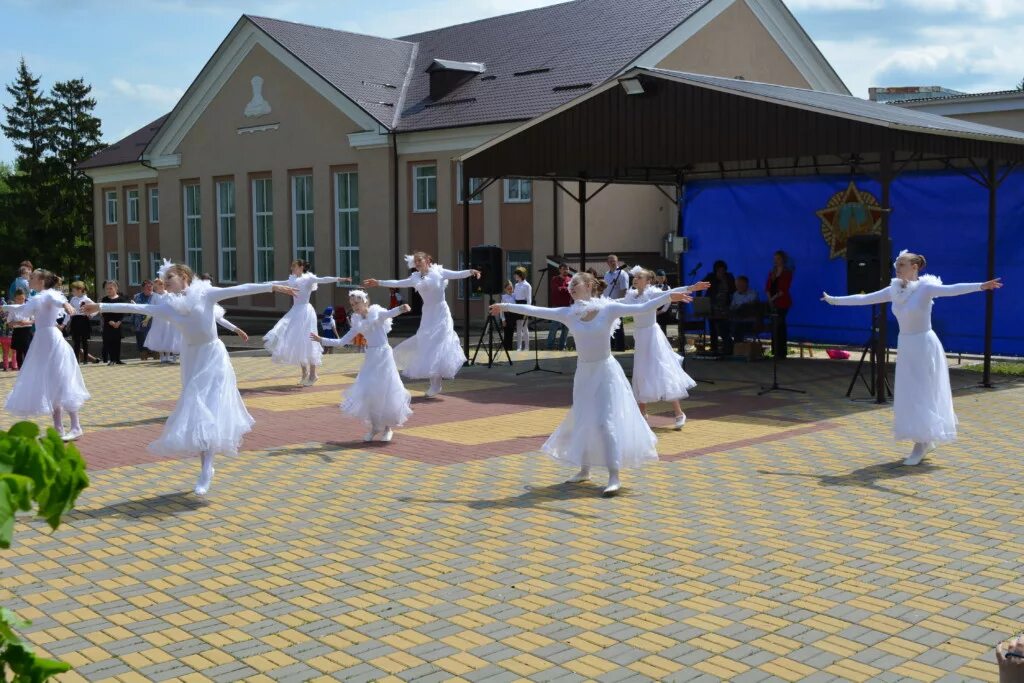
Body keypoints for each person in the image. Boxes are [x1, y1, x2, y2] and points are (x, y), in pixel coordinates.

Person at [84, 263, 297, 495]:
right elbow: (141, 309)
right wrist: (101, 306)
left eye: (170, 277)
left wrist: (273, 286)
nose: (165, 282)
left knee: (207, 406)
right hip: (191, 357)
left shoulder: (205, 294)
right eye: (163, 279)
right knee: (196, 409)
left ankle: (206, 469)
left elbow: (242, 288)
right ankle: (207, 465)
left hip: (212, 355)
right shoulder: (168, 305)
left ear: (184, 276)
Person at [491, 272, 691, 496]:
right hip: (584, 374)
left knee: (605, 422)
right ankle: (584, 469)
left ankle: (614, 475)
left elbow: (642, 308)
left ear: (588, 285)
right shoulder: (569, 313)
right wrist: (505, 307)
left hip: (605, 371)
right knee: (583, 419)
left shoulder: (608, 309)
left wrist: (667, 297)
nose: (570, 287)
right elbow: (536, 310)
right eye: (570, 286)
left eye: (574, 284)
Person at [822, 250, 1002, 466]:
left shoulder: (926, 288)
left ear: (915, 267)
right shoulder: (894, 290)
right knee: (910, 393)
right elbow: (864, 298)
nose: (898, 268)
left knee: (923, 392)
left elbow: (952, 290)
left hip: (925, 345)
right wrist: (834, 301)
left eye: (903, 265)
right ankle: (924, 438)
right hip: (906, 345)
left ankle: (922, 443)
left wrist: (980, 286)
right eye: (897, 264)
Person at [363, 252, 480, 398]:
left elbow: (457, 274)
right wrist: (379, 282)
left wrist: (471, 271)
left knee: (441, 342)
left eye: (420, 260)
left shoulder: (440, 272)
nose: (417, 263)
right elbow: (398, 283)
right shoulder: (415, 278)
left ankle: (437, 380)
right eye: (416, 261)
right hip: (428, 313)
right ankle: (435, 383)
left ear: (427, 260)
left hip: (441, 311)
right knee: (427, 344)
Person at [311, 290, 413, 442]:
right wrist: (321, 340)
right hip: (371, 357)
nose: (355, 307)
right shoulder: (357, 322)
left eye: (357, 303)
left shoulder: (377, 314)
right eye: (352, 305)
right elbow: (342, 341)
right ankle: (375, 426)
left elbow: (389, 313)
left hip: (384, 356)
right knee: (368, 391)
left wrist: (401, 308)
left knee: (386, 389)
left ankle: (387, 428)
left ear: (365, 301)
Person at [2, 270, 90, 441]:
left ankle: (75, 426)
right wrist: (6, 308)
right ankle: (58, 428)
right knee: (51, 384)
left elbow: (57, 299)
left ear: (41, 281)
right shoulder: (37, 297)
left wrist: (66, 305)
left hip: (52, 341)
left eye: (33, 277)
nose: (30, 280)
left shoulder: (49, 295)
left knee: (63, 382)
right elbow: (23, 311)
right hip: (42, 342)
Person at [625, 267, 708, 428]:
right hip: (640, 337)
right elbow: (616, 304)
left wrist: (690, 288)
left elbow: (671, 292)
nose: (635, 279)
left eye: (639, 277)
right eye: (634, 277)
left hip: (653, 337)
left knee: (662, 371)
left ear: (648, 281)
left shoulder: (653, 293)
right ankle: (642, 413)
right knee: (641, 372)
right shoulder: (631, 296)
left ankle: (679, 413)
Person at [264, 260, 351, 386]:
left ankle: (313, 374)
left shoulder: (309, 279)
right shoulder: (292, 279)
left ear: (301, 267)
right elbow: (279, 283)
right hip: (295, 311)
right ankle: (304, 372)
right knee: (297, 340)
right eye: (292, 266)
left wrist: (340, 279)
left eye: (294, 266)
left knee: (310, 340)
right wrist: (263, 285)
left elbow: (324, 279)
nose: (291, 268)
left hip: (305, 311)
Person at [702, 260, 736, 355]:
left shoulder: (729, 277)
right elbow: (700, 285)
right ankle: (714, 349)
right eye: (719, 270)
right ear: (715, 270)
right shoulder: (710, 277)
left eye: (723, 270)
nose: (721, 272)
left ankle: (727, 348)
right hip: (713, 306)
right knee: (712, 326)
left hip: (725, 306)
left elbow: (734, 290)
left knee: (724, 327)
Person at [766, 250, 794, 360]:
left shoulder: (787, 273)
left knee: (779, 325)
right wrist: (769, 298)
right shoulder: (772, 272)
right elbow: (768, 287)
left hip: (782, 302)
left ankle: (781, 352)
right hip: (772, 302)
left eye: (778, 258)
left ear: (783, 260)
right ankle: (776, 352)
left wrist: (773, 298)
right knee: (774, 326)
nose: (776, 261)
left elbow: (783, 289)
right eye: (775, 258)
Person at [603, 254, 630, 351]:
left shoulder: (622, 274)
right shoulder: (606, 274)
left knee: (618, 325)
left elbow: (624, 290)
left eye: (614, 261)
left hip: (617, 303)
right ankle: (612, 346)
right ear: (607, 263)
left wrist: (621, 303)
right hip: (607, 303)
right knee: (609, 325)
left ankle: (620, 347)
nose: (612, 263)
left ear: (617, 261)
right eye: (610, 261)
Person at [68, 281, 99, 364]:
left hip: (84, 320)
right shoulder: (73, 299)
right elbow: (69, 308)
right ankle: (76, 360)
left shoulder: (86, 299)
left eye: (73, 290)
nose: (72, 292)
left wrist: (91, 315)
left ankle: (85, 359)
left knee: (85, 341)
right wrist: (69, 314)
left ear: (80, 290)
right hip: (75, 320)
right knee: (76, 341)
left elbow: (97, 308)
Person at [546, 263, 572, 351]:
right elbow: (557, 289)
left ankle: (562, 347)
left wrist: (564, 288)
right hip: (557, 307)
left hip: (568, 307)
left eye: (567, 269)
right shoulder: (555, 279)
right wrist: (567, 289)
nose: (566, 270)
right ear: (560, 270)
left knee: (566, 329)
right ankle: (549, 347)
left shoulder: (570, 279)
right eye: (564, 269)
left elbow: (571, 291)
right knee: (554, 327)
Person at [729, 275, 760, 346]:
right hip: (737, 320)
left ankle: (738, 349)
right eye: (737, 285)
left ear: (746, 284)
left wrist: (740, 307)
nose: (738, 286)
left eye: (740, 284)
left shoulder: (753, 294)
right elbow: (732, 308)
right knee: (722, 325)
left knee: (737, 327)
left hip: (750, 322)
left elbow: (749, 308)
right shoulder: (735, 294)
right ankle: (730, 348)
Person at [100, 280, 125, 365]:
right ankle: (112, 359)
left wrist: (119, 321)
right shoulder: (104, 299)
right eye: (107, 289)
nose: (109, 290)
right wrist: (109, 321)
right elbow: (103, 312)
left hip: (118, 324)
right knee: (109, 342)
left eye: (110, 288)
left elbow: (123, 311)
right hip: (108, 324)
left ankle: (117, 359)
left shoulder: (121, 299)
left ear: (116, 288)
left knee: (117, 342)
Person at [8, 289, 34, 369]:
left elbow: (33, 320)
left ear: (25, 298)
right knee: (19, 352)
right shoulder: (12, 309)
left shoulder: (28, 307)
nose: (20, 300)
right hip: (18, 331)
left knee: (28, 351)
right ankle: (20, 369)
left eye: (22, 299)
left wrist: (26, 322)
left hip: (27, 331)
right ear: (15, 298)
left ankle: (28, 369)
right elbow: (9, 323)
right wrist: (17, 323)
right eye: (18, 299)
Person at [512, 267, 533, 352]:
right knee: (518, 327)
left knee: (524, 327)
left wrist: (527, 311)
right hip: (517, 305)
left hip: (524, 306)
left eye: (516, 274)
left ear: (520, 275)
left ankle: (527, 347)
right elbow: (515, 296)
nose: (514, 276)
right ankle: (519, 347)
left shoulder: (527, 285)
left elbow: (529, 299)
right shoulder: (516, 285)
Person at [132, 280, 155, 360]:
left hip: (153, 325)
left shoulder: (156, 297)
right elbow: (134, 310)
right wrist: (133, 323)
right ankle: (143, 360)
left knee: (154, 347)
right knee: (142, 347)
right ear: (143, 288)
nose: (149, 288)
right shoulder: (137, 296)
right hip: (140, 326)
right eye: (147, 286)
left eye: (151, 286)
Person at [500, 281, 516, 351]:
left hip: (512, 316)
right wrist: (503, 319)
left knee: (511, 334)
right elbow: (501, 310)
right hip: (506, 316)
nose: (510, 290)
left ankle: (510, 348)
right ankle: (506, 349)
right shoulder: (504, 297)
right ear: (505, 289)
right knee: (506, 334)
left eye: (511, 288)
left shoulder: (514, 296)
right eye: (508, 289)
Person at [0, 296, 12, 371]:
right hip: (11, 336)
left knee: (5, 352)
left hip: (2, 336)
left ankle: (5, 366)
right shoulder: (10, 314)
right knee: (14, 352)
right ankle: (15, 365)